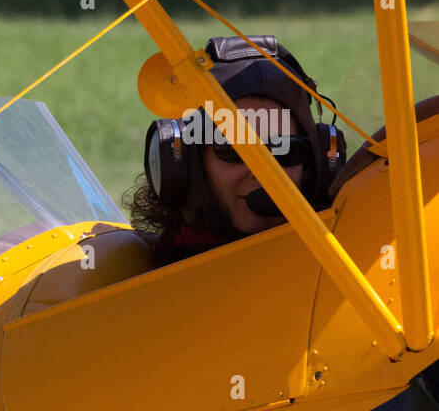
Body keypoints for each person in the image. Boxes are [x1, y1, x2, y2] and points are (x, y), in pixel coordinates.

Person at [128, 34, 345, 264]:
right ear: (188, 165)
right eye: (234, 150)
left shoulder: (350, 264)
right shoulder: (146, 281)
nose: (261, 170)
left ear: (317, 161)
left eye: (284, 149)